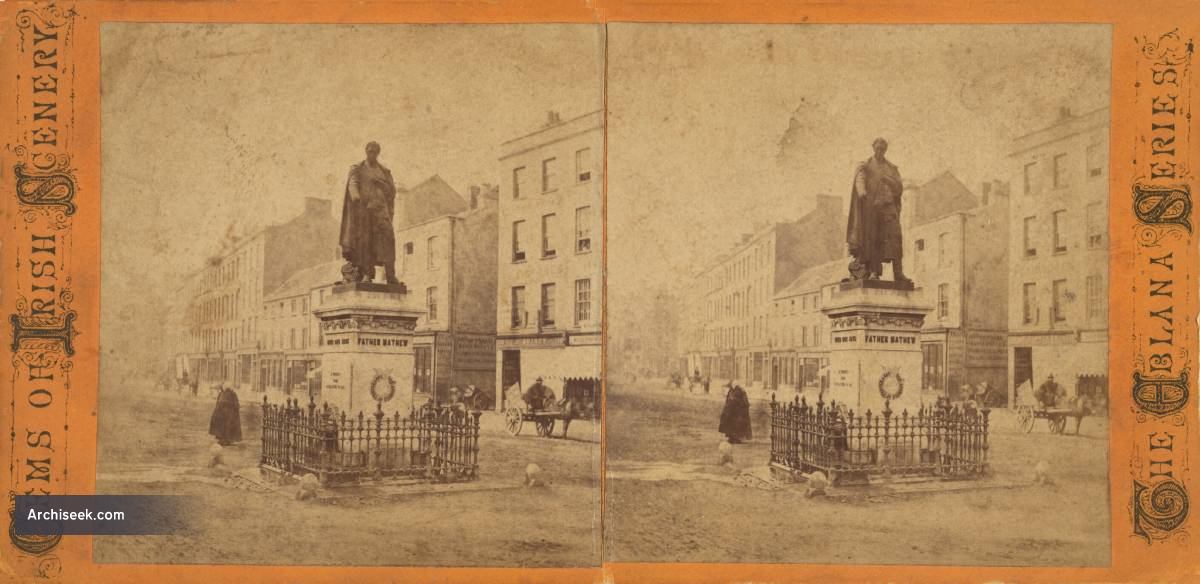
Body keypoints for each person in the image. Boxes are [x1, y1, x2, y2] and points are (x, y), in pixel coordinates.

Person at [845, 138, 911, 283]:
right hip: (872, 208)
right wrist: (862, 192)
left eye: (883, 148)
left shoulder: (892, 168)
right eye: (878, 148)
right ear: (873, 148)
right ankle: (874, 272)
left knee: (896, 239)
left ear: (886, 149)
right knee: (873, 240)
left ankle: (898, 273)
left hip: (889, 209)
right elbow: (860, 179)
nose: (880, 151)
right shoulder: (866, 166)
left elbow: (899, 187)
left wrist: (889, 180)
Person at [340, 141, 399, 284]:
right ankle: (367, 274)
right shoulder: (358, 169)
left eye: (375, 151)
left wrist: (383, 185)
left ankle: (391, 275)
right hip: (364, 211)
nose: (372, 154)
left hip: (381, 211)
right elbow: (353, 184)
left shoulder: (384, 172)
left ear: (378, 153)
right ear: (366, 151)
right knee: (366, 243)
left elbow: (392, 191)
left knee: (389, 241)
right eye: (370, 151)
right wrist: (356, 197)